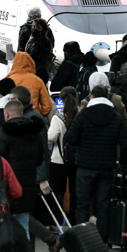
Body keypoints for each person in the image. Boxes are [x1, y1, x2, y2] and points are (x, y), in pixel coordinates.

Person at [64, 85, 127, 239]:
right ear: (107, 96)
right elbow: (126, 144)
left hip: (85, 166)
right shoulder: (116, 117)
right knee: (103, 205)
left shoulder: (83, 115)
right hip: (107, 166)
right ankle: (102, 241)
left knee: (82, 205)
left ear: (91, 96)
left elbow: (70, 138)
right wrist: (122, 163)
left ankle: (83, 240)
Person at [0, 99, 49, 236]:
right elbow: (40, 157)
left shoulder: (4, 132)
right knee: (24, 221)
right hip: (29, 181)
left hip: (9, 184)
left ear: (7, 114)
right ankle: (27, 248)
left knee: (10, 224)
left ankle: (15, 248)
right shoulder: (34, 131)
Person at [48, 86, 78, 225]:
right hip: (76, 160)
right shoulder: (80, 115)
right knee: (74, 191)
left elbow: (51, 137)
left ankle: (58, 220)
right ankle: (73, 219)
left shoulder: (58, 117)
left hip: (58, 160)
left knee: (57, 192)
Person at [23, 18, 55, 82]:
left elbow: (31, 57)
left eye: (36, 27)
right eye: (33, 26)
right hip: (40, 71)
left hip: (34, 71)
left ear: (41, 28)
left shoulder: (38, 41)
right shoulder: (44, 39)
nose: (33, 28)